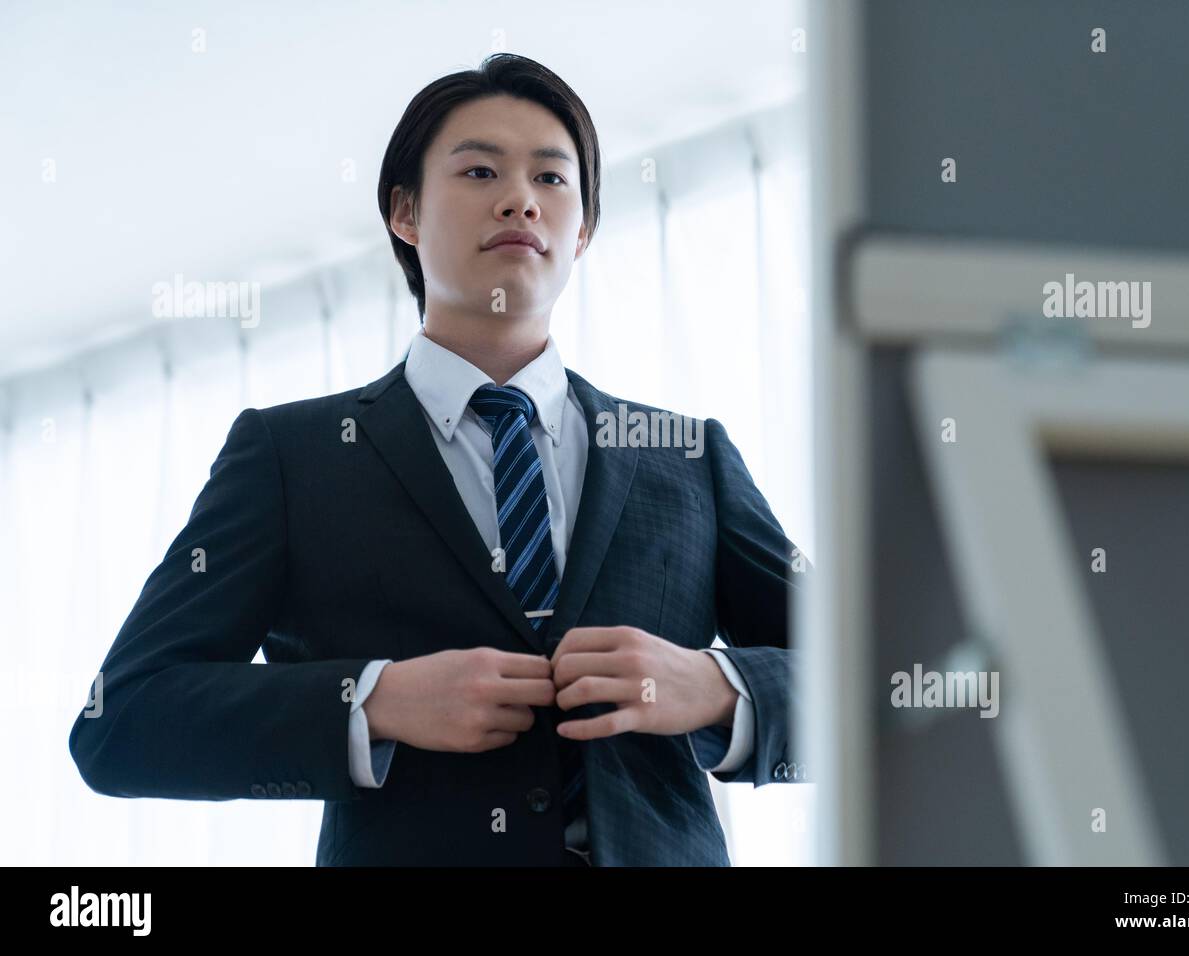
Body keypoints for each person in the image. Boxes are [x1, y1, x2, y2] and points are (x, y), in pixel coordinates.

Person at [69, 53, 810, 866]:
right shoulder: (290, 457)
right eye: (481, 169)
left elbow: (875, 688)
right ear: (405, 213)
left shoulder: (688, 456)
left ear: (584, 232)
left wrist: (716, 688)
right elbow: (122, 723)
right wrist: (374, 699)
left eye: (553, 180)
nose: (521, 198)